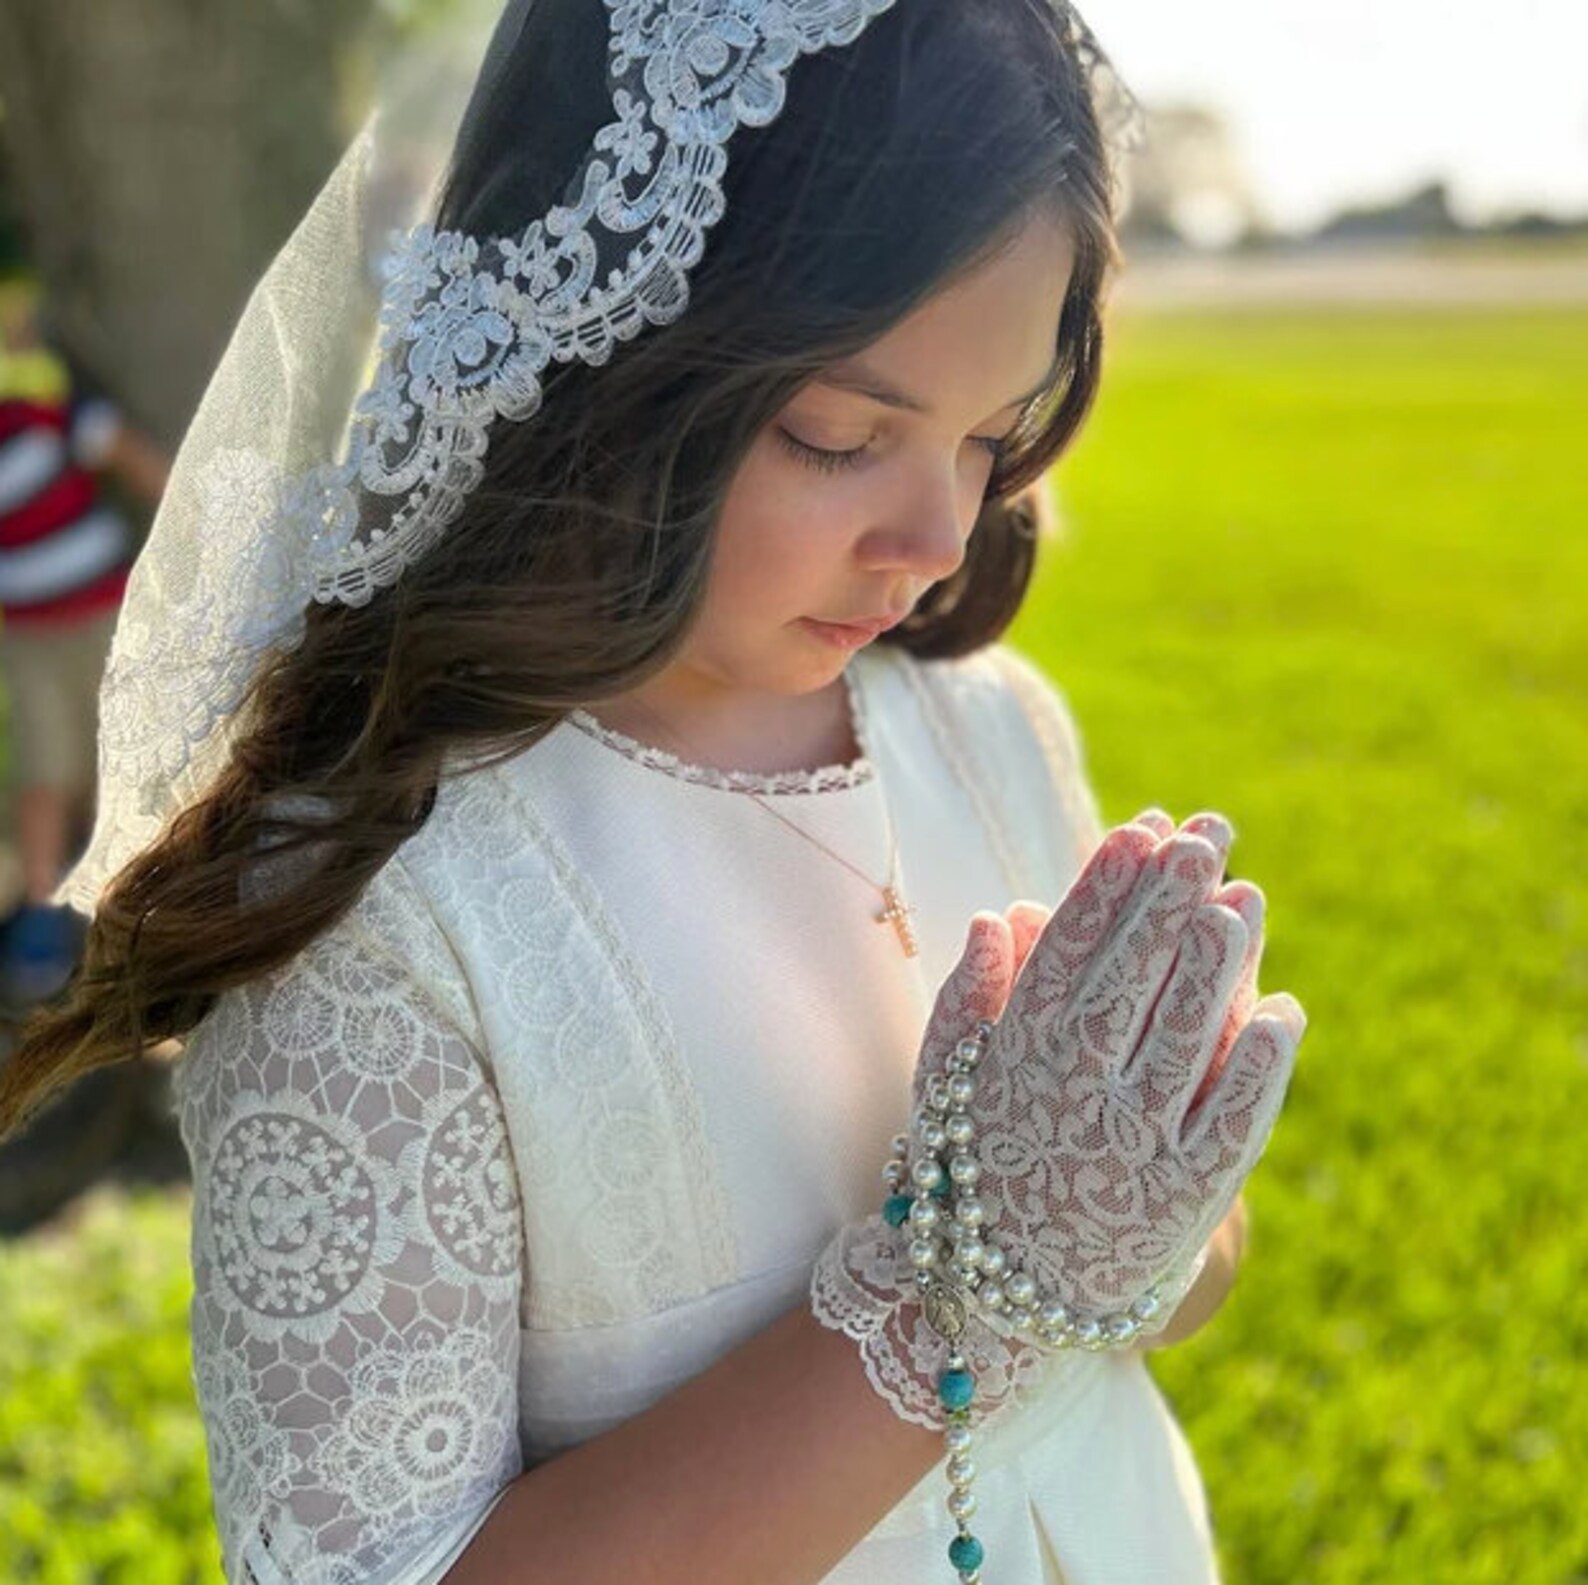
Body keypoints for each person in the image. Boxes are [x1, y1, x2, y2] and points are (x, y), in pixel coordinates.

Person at [0, 2, 1309, 1581]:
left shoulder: (989, 727)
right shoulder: (388, 901)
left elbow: (1154, 1279)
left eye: (992, 436)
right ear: (603, 357)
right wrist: (960, 1280)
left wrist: (1140, 1203)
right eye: (841, 435)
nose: (941, 537)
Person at [0, 294, 169, 1004]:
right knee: (47, 767)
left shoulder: (48, 411)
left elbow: (133, 459)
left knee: (123, 754)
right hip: (30, 631)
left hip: (106, 612)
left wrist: (190, 519)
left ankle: (135, 903)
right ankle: (43, 908)